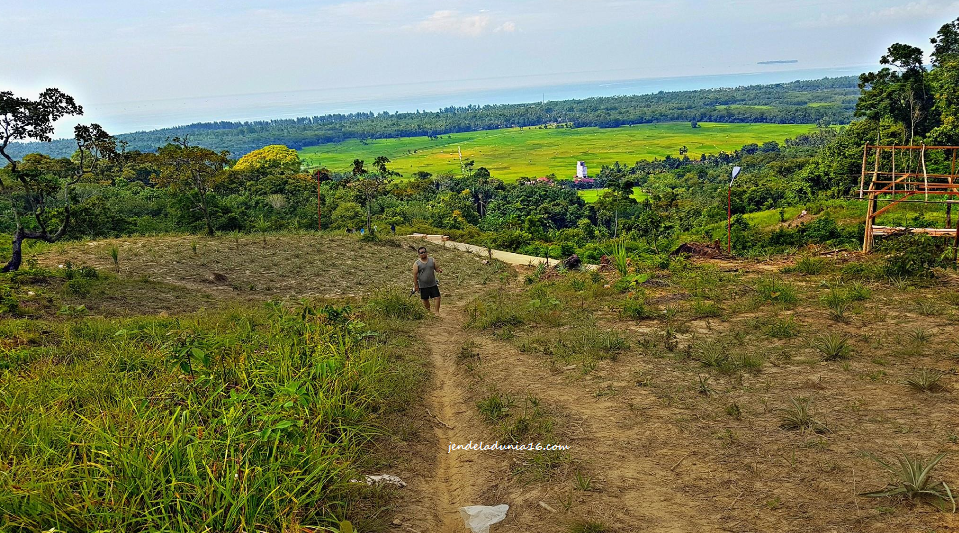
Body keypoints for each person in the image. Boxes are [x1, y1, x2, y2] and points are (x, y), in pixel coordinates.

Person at [413, 246, 442, 313]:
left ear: (426, 252)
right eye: (421, 253)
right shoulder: (416, 263)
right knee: (425, 299)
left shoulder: (432, 260)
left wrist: (439, 270)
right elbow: (415, 275)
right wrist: (416, 285)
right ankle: (428, 312)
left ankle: (437, 312)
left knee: (437, 297)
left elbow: (436, 268)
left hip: (433, 283)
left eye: (424, 252)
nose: (423, 253)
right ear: (419, 254)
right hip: (423, 285)